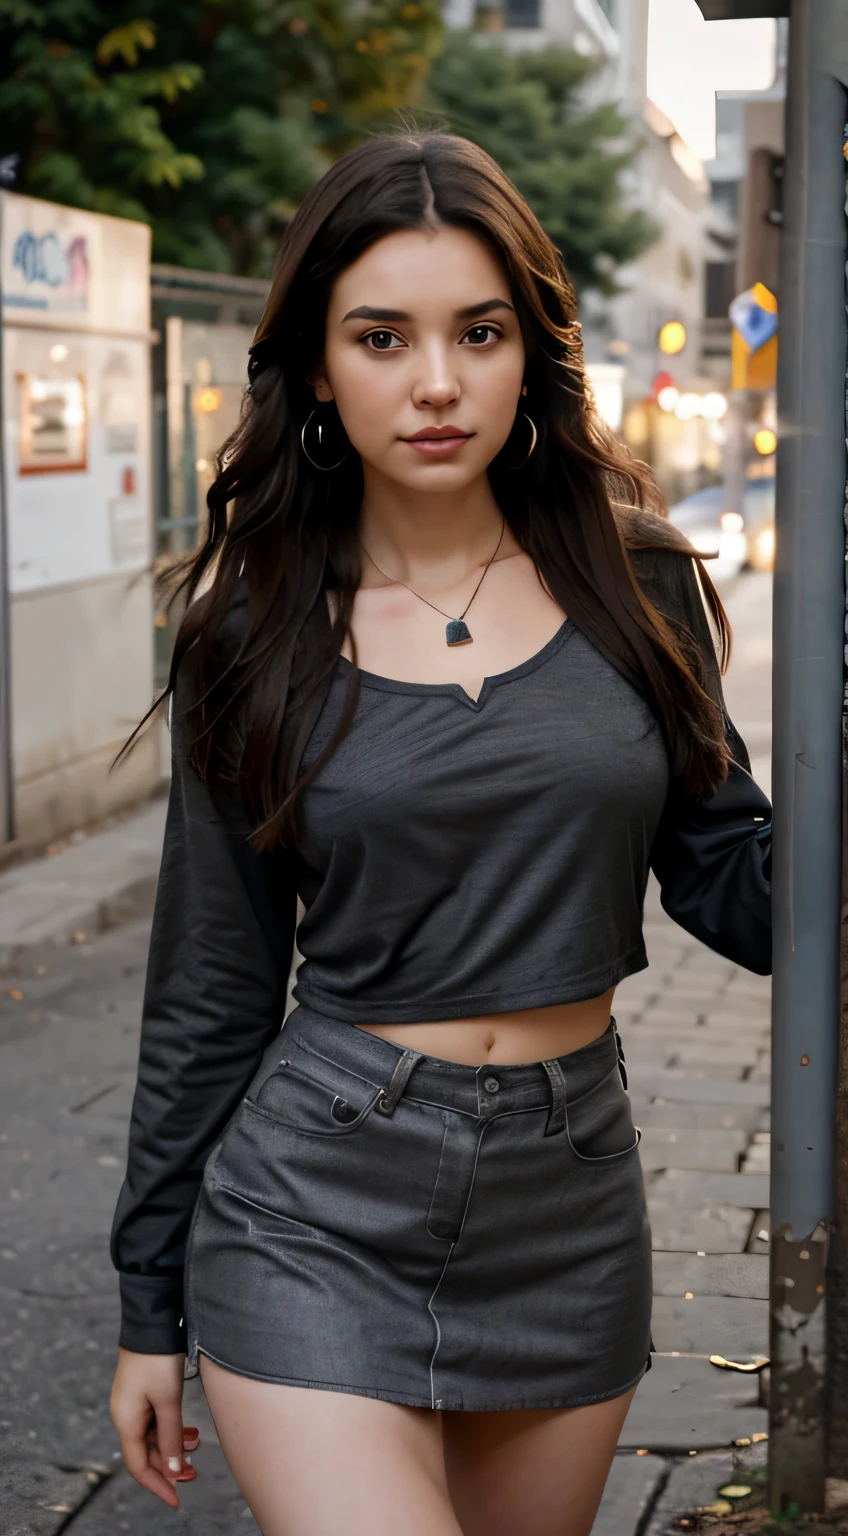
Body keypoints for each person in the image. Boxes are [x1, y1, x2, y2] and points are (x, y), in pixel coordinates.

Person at [108, 131, 771, 1536]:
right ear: (318, 362)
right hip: (317, 1194)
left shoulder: (633, 580)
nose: (434, 383)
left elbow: (738, 885)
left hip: (569, 1198)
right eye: (381, 336)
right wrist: (147, 1301)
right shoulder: (251, 628)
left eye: (478, 332)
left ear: (530, 351)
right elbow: (213, 984)